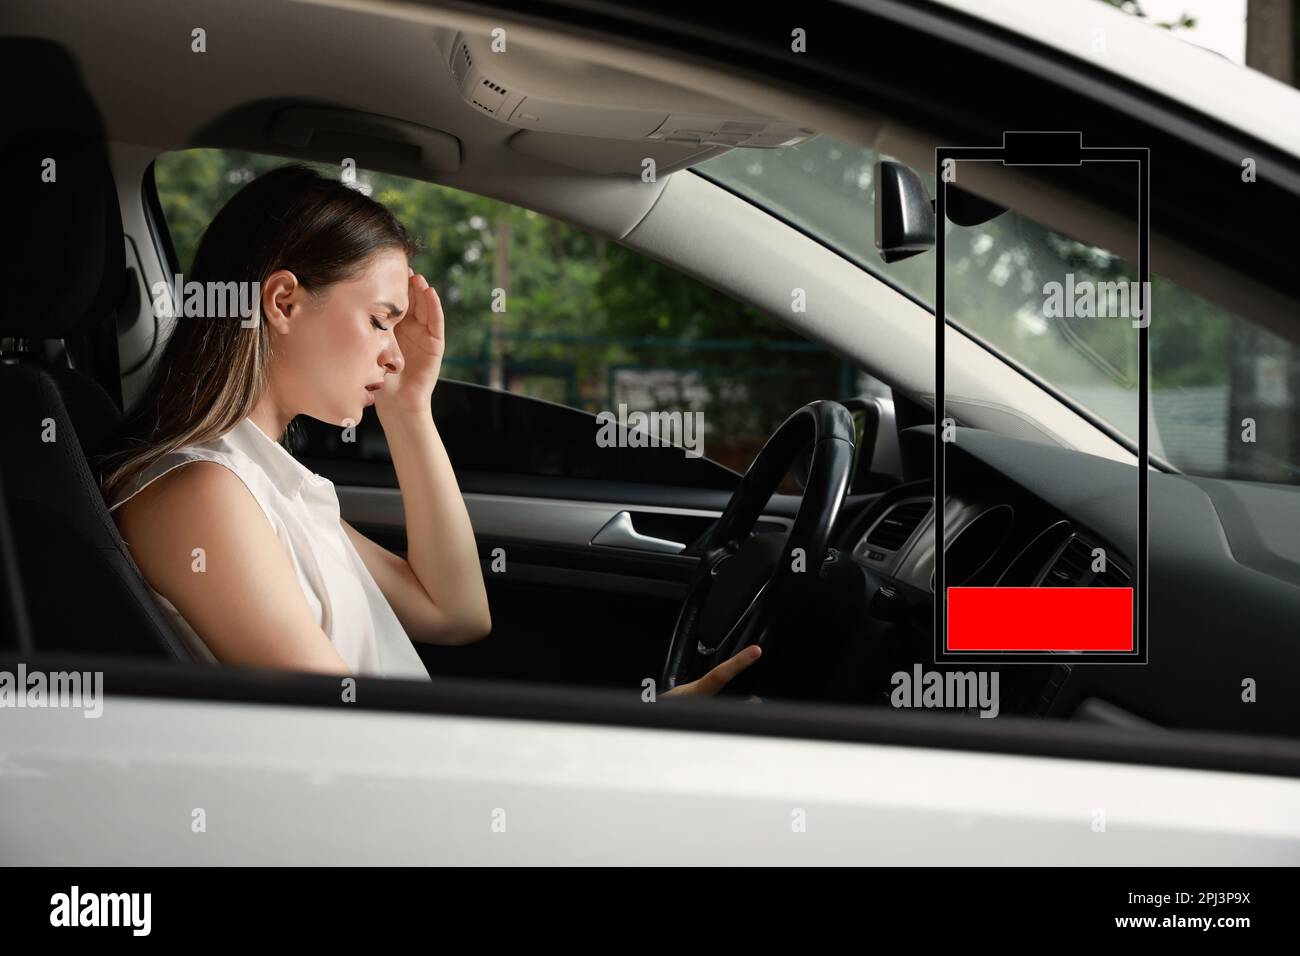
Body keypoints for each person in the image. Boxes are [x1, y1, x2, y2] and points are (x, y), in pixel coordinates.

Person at [99, 164, 758, 696]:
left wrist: (410, 410)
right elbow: (346, 739)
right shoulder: (204, 493)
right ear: (284, 303)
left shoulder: (268, 483)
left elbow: (457, 614)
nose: (395, 353)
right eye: (381, 319)